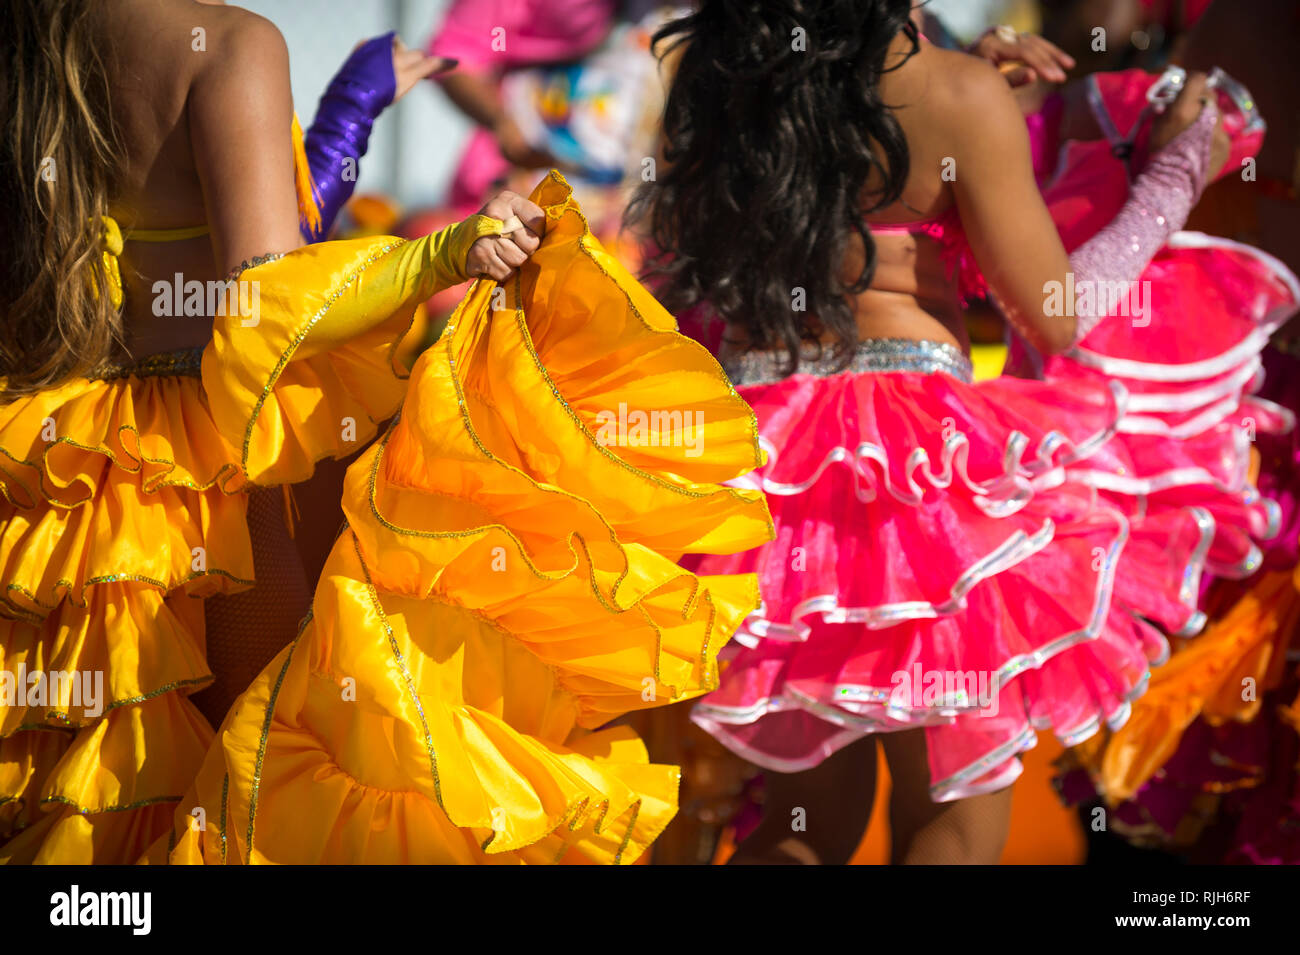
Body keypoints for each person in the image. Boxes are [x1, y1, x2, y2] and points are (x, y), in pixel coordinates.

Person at [631, 0, 1225, 864]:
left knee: (806, 820)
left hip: (758, 464)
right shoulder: (955, 92)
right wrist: (1173, 179)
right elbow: (1055, 314)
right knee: (957, 809)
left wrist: (949, 68)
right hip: (918, 471)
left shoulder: (724, 81)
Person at [0, 0, 539, 864]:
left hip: (51, 496)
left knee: (82, 832)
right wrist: (441, 253)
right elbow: (268, 309)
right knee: (251, 805)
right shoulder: (235, 44)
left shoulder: (31, 35)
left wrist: (342, 125)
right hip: (210, 490)